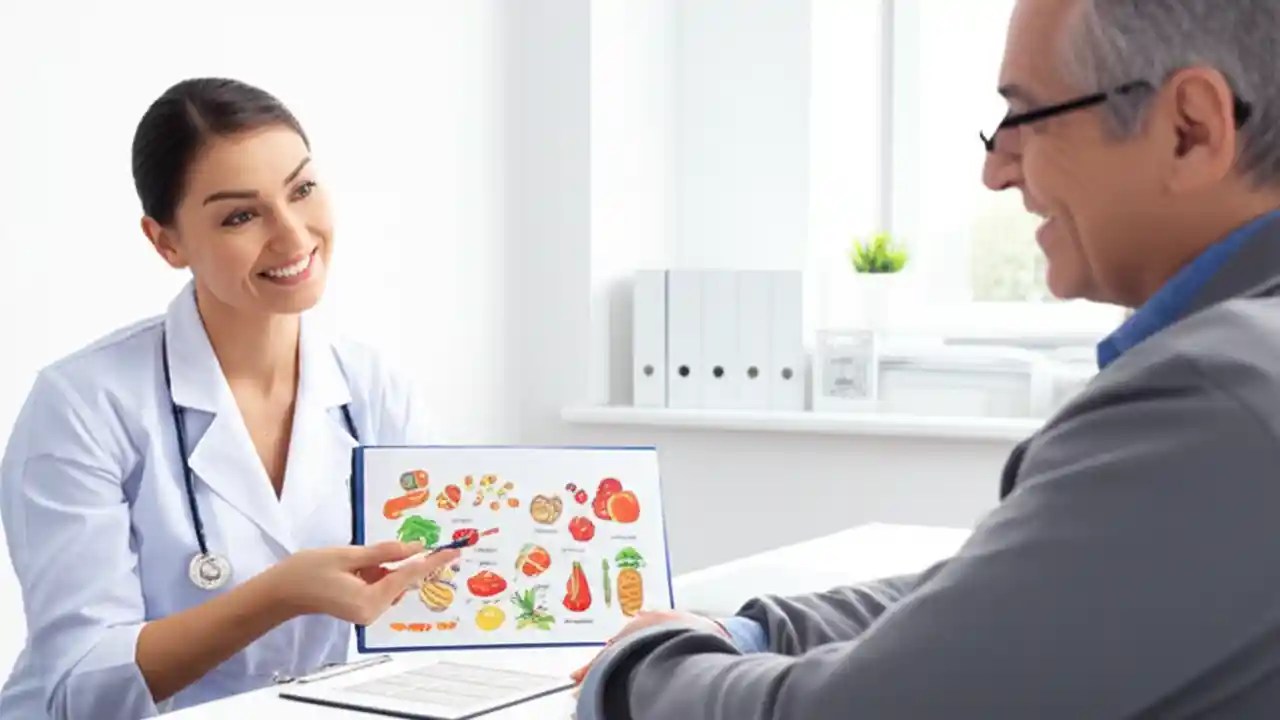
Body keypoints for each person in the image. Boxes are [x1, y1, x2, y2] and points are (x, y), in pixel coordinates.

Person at [573, 0, 1280, 717]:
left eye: (1027, 116)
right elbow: (1018, 603)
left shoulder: (1215, 401)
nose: (996, 170)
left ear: (1190, 129)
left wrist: (638, 673)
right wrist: (759, 632)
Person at [0, 77, 462, 719]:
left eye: (301, 189)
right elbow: (79, 690)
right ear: (166, 242)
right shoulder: (81, 404)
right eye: (241, 216)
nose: (293, 237)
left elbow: (439, 597)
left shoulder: (372, 387)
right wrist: (278, 595)